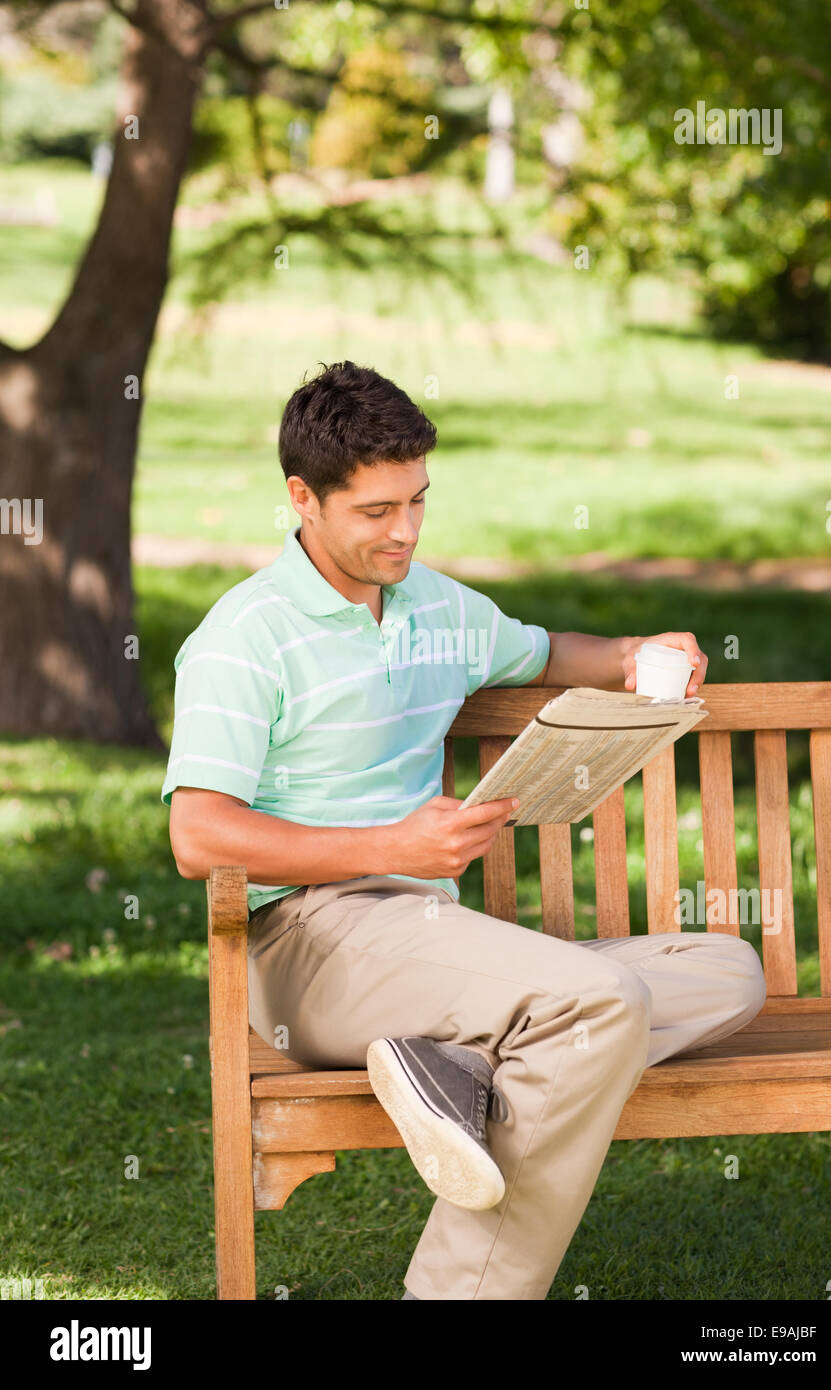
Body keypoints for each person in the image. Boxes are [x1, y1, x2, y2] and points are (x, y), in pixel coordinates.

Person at [162, 359, 767, 1300]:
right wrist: (391, 850)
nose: (403, 531)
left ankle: (454, 1069)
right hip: (309, 944)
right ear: (303, 498)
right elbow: (199, 836)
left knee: (730, 973)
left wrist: (632, 653)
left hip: (426, 937)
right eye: (374, 511)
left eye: (417, 502)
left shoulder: (438, 608)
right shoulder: (244, 639)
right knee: (601, 1005)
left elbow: (545, 650)